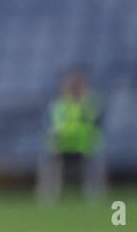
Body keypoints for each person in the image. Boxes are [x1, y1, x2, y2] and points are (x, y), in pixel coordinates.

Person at [37, 70, 106, 203]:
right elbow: (51, 126)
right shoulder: (59, 104)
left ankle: (95, 197)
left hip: (84, 145)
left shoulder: (91, 103)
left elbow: (96, 123)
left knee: (96, 158)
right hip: (62, 145)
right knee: (48, 158)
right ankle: (48, 197)